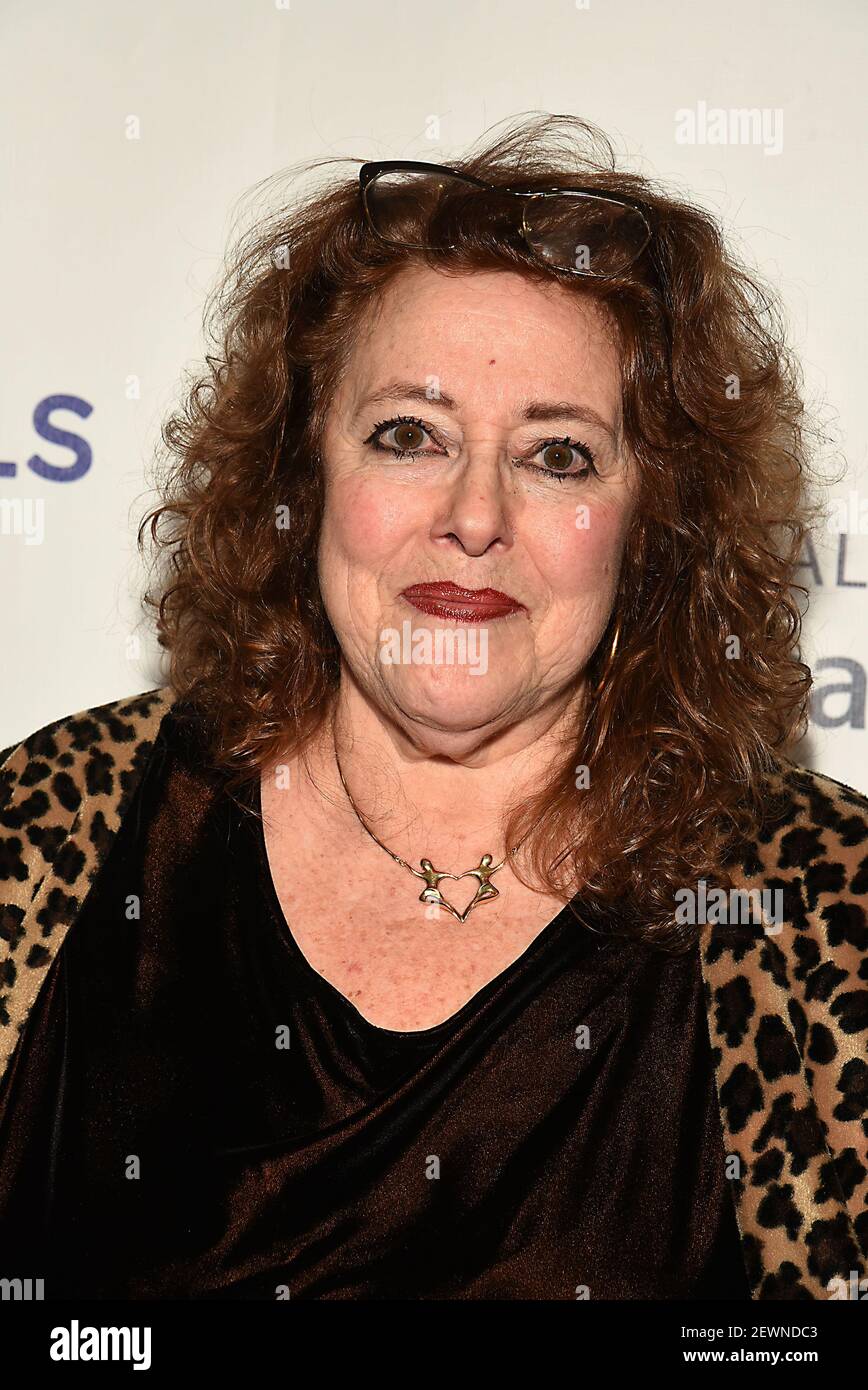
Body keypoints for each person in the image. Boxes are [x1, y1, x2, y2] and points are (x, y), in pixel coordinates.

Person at [1, 114, 865, 1301]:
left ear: (652, 526)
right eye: (408, 434)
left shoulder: (821, 906)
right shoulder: (52, 833)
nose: (472, 515)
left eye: (558, 454)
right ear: (302, 478)